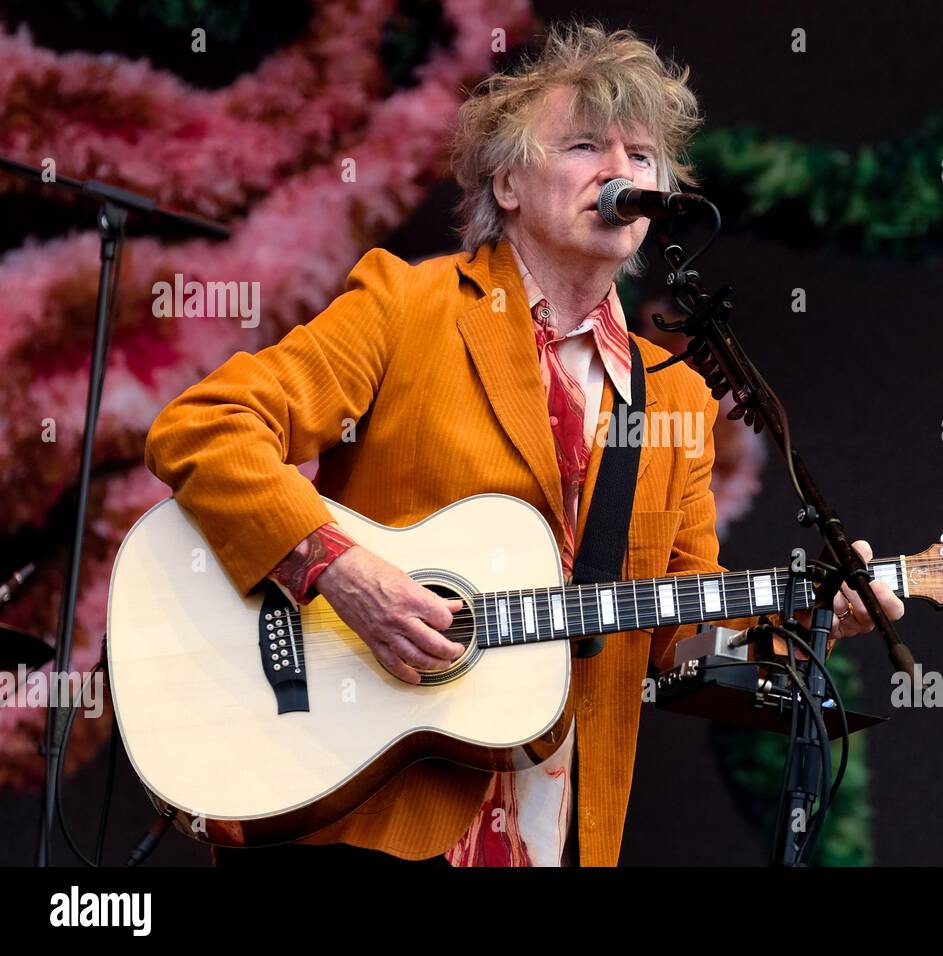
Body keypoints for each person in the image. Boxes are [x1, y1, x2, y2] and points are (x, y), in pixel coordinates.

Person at [144, 20, 904, 868]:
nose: (623, 173)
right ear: (506, 181)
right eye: (585, 145)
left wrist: (807, 626)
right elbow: (206, 429)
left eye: (643, 156)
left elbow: (678, 643)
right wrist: (344, 574)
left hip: (558, 828)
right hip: (364, 812)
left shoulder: (676, 396)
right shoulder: (407, 305)